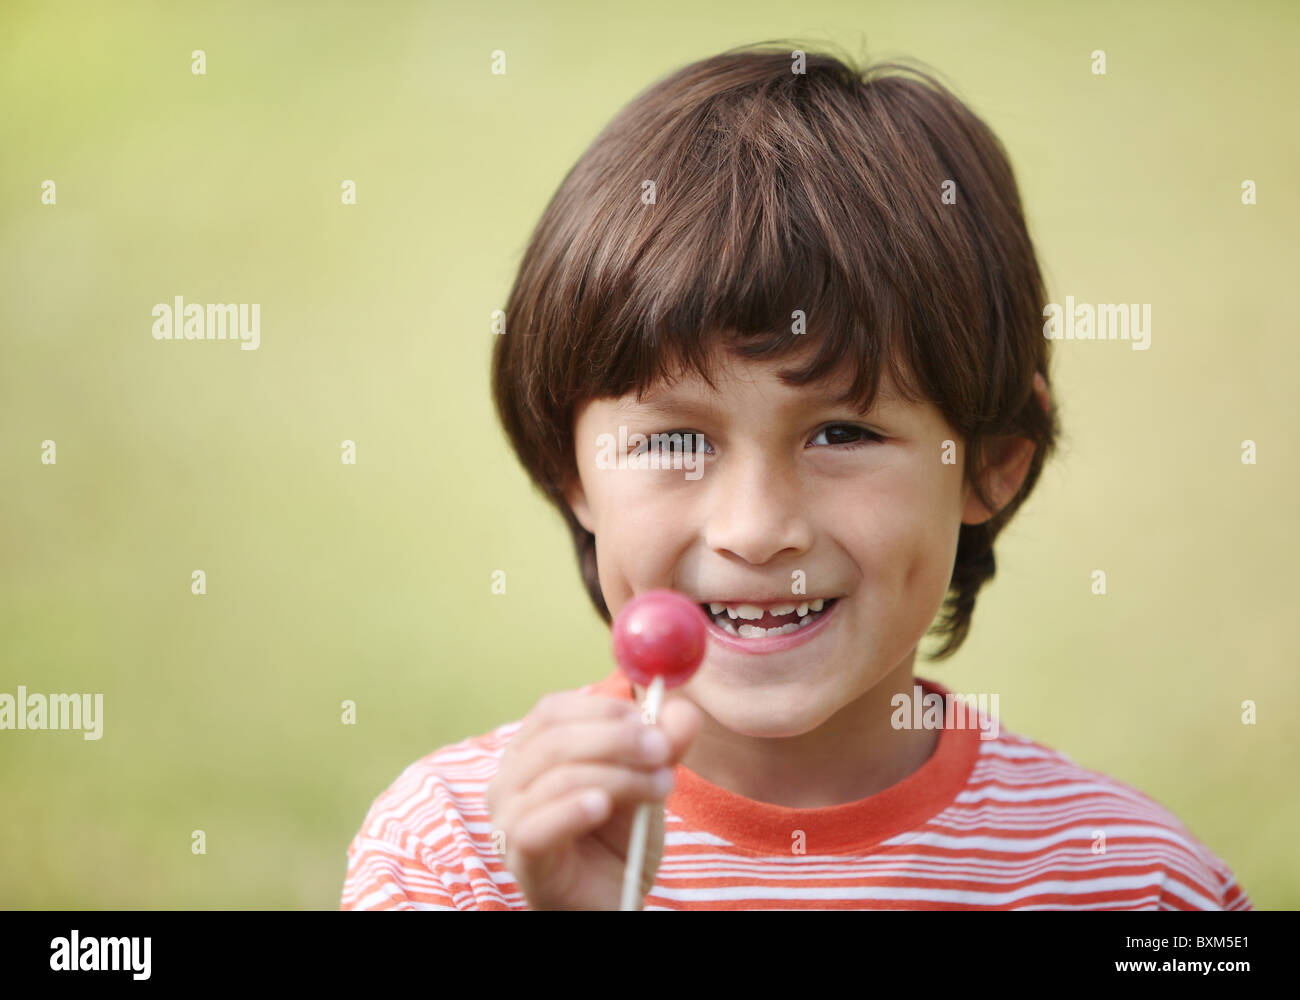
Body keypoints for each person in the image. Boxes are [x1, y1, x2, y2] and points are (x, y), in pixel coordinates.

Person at [340, 44, 1250, 910]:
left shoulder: (1132, 884)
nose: (755, 526)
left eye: (843, 432)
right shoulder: (456, 856)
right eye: (672, 443)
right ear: (565, 464)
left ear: (993, 461)